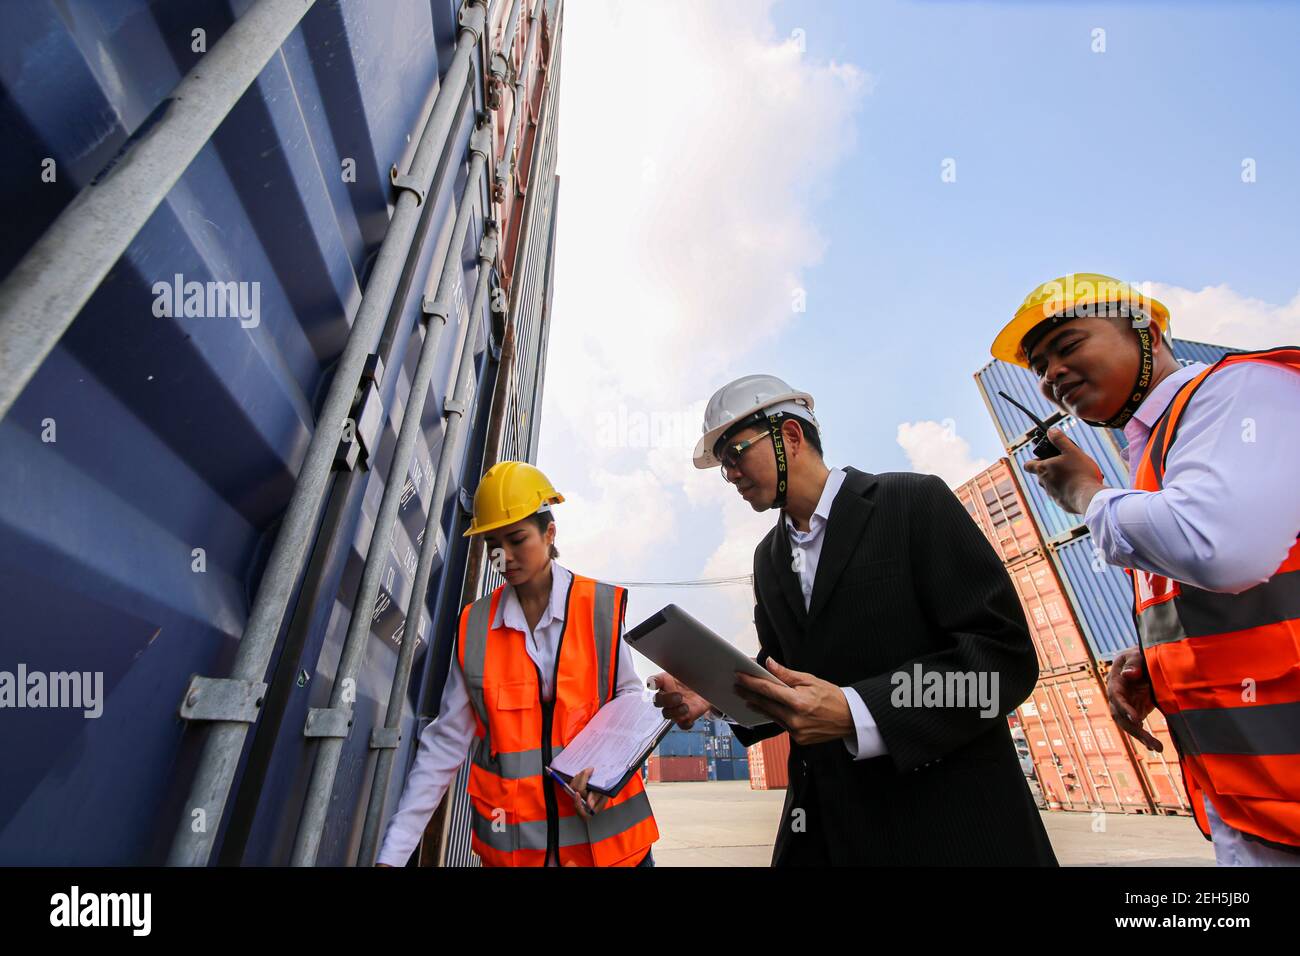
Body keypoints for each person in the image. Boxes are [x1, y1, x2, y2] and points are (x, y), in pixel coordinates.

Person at [653, 375, 1057, 866]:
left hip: (945, 828)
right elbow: (783, 670)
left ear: (792, 437)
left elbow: (1001, 660)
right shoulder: (768, 558)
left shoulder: (912, 503)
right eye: (723, 464)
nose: (732, 473)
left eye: (736, 452)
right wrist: (714, 693)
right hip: (826, 830)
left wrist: (857, 712)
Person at [990, 272, 1300, 865]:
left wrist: (1087, 496)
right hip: (1254, 805)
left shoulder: (1241, 391)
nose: (1051, 374)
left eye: (1069, 345)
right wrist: (1158, 660)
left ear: (1147, 332)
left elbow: (1223, 548)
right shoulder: (1154, 453)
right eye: (1039, 366)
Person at [375, 461, 658, 867]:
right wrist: (393, 856)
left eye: (517, 539)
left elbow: (629, 699)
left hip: (610, 852)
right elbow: (444, 745)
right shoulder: (474, 628)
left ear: (550, 533)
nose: (504, 557)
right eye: (493, 544)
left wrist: (607, 774)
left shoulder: (597, 609)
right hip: (521, 854)